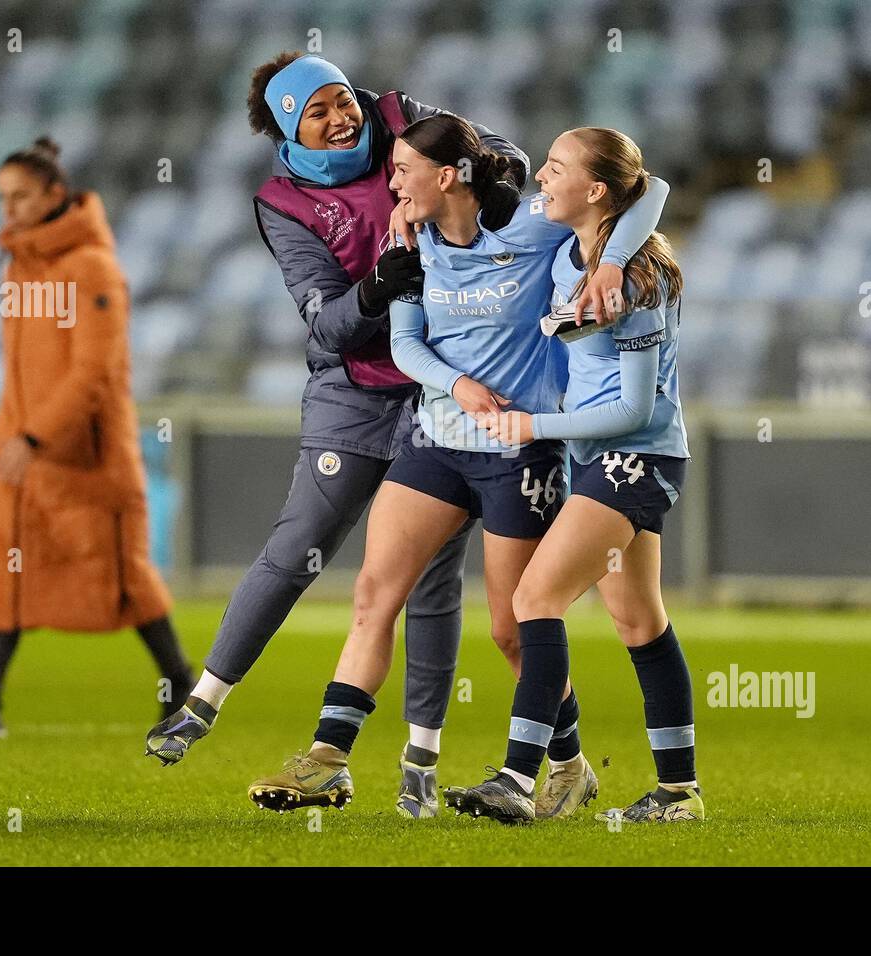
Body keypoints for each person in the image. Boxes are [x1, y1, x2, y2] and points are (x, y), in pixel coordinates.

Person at [144, 51, 573, 819]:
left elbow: (511, 162)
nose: (346, 118)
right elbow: (342, 329)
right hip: (388, 401)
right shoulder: (298, 207)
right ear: (288, 128)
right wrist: (384, 286)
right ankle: (246, 720)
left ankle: (455, 763)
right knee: (337, 564)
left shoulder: (413, 129)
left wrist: (507, 179)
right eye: (318, 111)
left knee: (483, 609)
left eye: (344, 99)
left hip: (478, 411)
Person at [243, 114, 667, 817]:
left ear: (447, 177)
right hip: (436, 443)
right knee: (373, 595)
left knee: (511, 630)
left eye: (403, 171)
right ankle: (327, 758)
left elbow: (649, 188)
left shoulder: (531, 227)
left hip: (519, 452)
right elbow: (405, 344)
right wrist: (455, 383)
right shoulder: (409, 244)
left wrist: (614, 260)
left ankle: (568, 766)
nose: (391, 185)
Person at [444, 127, 702, 825]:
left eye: (555, 168)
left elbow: (633, 410)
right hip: (594, 457)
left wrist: (535, 427)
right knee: (638, 620)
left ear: (595, 190)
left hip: (635, 458)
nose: (541, 179)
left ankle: (516, 778)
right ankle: (679, 793)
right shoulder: (570, 254)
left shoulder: (640, 279)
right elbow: (651, 189)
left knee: (535, 599)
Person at [0, 137, 191, 738]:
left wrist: (37, 435)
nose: (8, 209)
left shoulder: (92, 267)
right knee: (1, 571)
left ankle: (179, 682)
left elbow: (94, 372)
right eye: (2, 198)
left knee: (120, 575)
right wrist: (14, 436)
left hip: (83, 456)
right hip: (19, 447)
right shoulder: (21, 265)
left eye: (20, 196)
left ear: (54, 193)